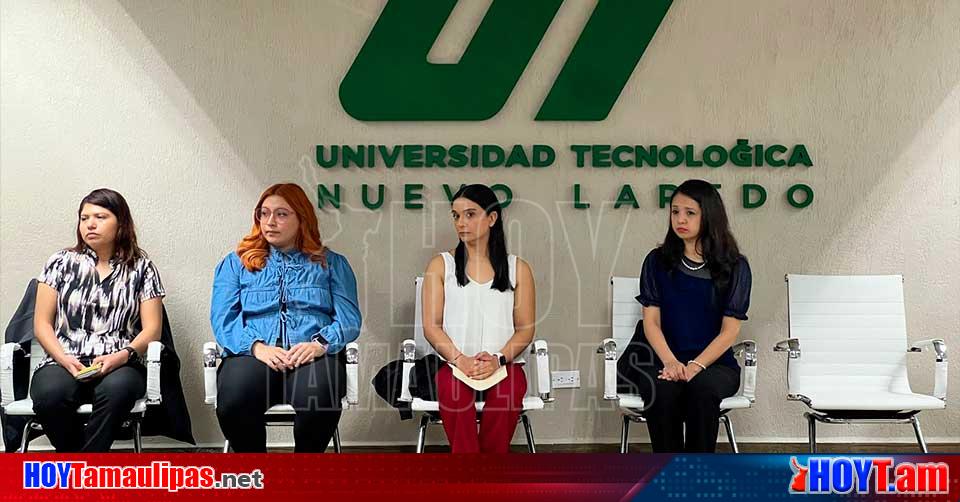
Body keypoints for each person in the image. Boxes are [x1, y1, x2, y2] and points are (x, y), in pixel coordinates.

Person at [211, 183, 361, 452]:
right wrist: (257, 347)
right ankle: (259, 476)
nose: (270, 222)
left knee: (319, 399)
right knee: (234, 399)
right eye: (264, 213)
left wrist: (320, 344)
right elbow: (224, 320)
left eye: (281, 214)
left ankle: (302, 478)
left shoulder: (332, 263)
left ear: (301, 218)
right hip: (253, 355)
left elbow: (349, 319)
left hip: (312, 355)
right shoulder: (236, 264)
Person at [30, 188, 165, 452]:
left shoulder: (142, 267)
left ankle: (84, 474)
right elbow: (41, 324)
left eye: (100, 217)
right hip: (65, 358)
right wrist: (62, 358)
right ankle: (85, 469)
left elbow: (153, 329)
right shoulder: (60, 262)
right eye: (84, 218)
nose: (90, 224)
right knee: (49, 396)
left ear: (121, 222)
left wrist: (122, 356)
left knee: (118, 392)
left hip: (120, 361)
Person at [627, 179, 752, 452]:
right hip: (662, 358)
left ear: (709, 215)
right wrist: (671, 362)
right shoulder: (657, 261)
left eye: (690, 213)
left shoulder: (736, 267)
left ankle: (697, 477)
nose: (680, 219)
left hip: (714, 364)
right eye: (675, 212)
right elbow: (651, 322)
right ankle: (668, 476)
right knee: (661, 390)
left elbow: (729, 332)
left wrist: (695, 366)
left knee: (702, 390)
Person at [421, 184, 536, 453]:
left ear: (492, 218)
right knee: (454, 396)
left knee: (506, 395)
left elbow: (525, 330)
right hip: (453, 364)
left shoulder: (518, 268)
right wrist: (460, 360)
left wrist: (497, 359)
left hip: (504, 365)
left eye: (470, 214)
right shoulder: (440, 265)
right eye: (456, 216)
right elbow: (431, 326)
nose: (461, 223)